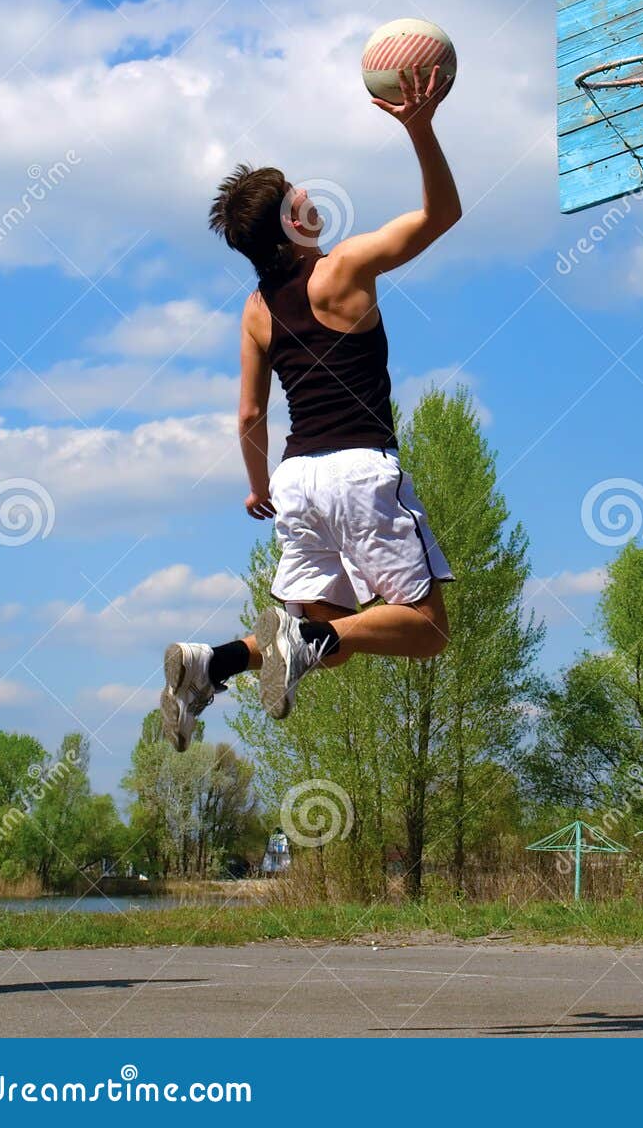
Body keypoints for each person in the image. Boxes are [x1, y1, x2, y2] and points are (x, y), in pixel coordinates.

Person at [158, 61, 460, 751]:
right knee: (427, 630)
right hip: (360, 471)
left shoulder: (255, 309)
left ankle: (210, 664)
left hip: (296, 482)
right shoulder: (343, 267)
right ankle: (298, 642)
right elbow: (441, 216)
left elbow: (249, 416)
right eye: (301, 194)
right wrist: (420, 129)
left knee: (330, 639)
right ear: (296, 220)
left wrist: (258, 487)